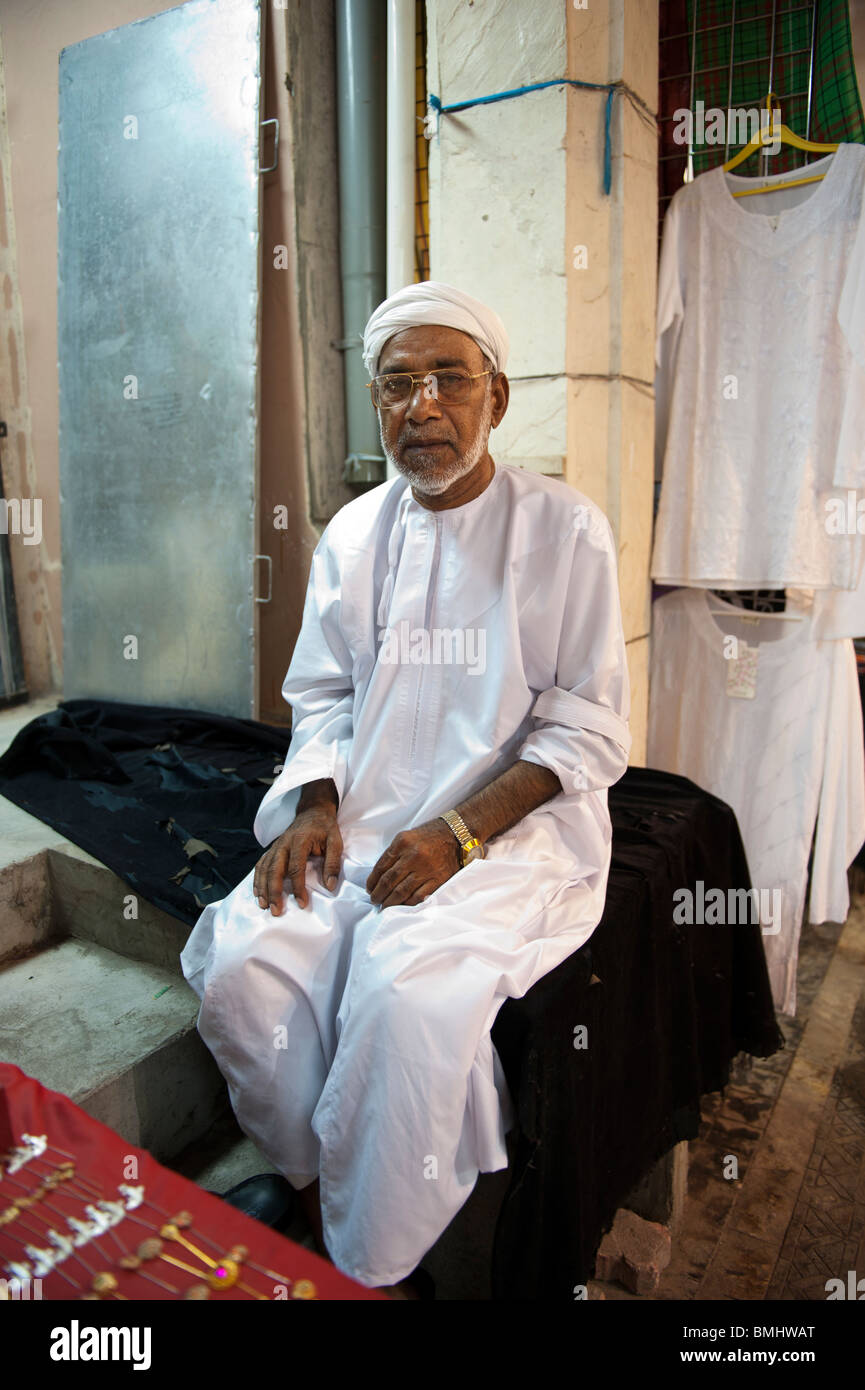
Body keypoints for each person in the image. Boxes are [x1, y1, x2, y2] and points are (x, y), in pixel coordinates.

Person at [180, 280, 631, 1299]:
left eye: (447, 379)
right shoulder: (351, 534)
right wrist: (318, 804)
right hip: (366, 818)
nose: (422, 406)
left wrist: (459, 836)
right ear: (376, 403)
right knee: (242, 966)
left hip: (505, 838)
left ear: (496, 399)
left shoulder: (565, 530)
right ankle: (316, 1190)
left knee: (407, 1000)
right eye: (396, 384)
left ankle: (371, 1265)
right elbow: (325, 694)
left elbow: (587, 722)